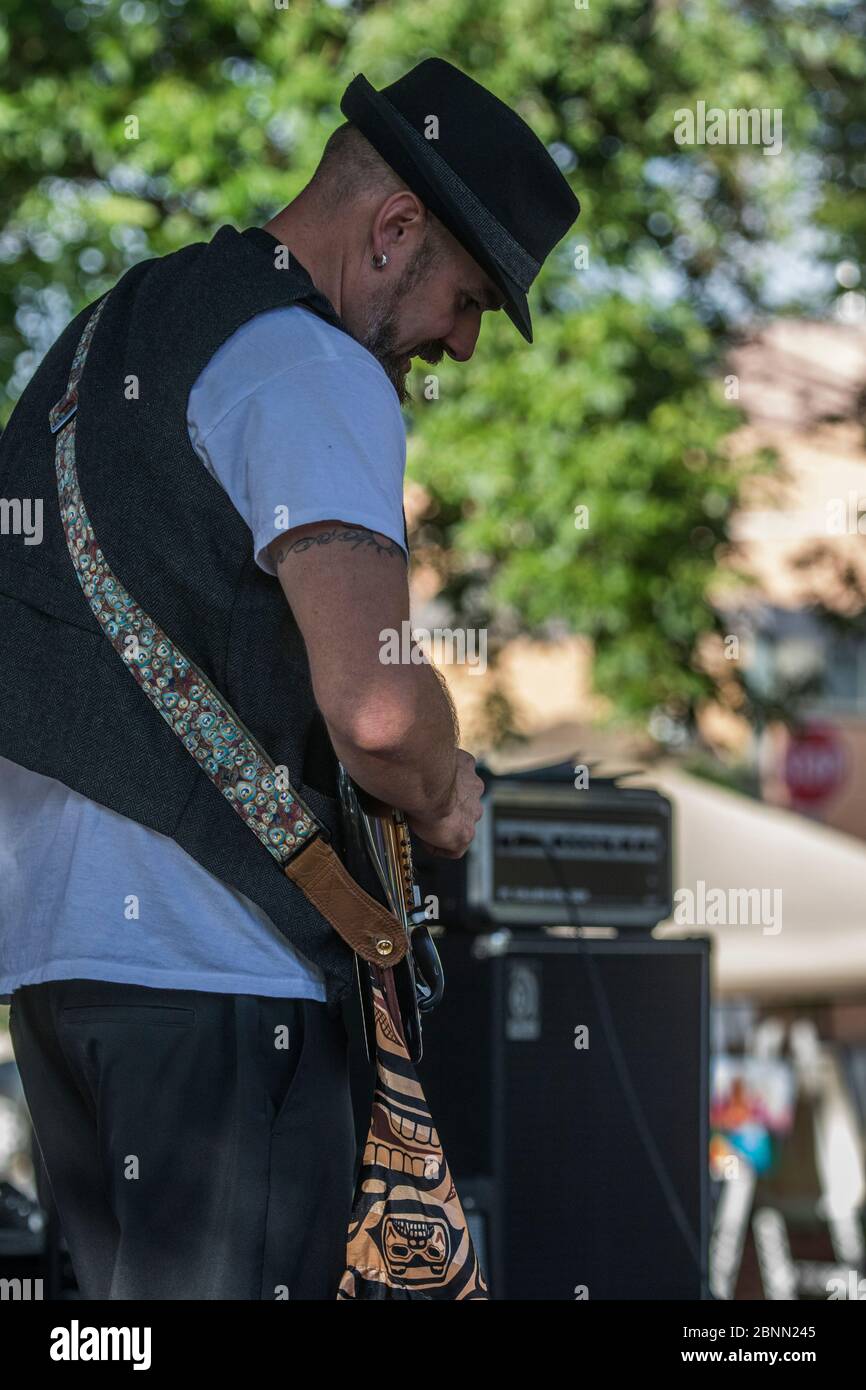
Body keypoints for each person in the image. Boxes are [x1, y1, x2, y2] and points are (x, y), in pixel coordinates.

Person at [0, 57, 580, 1299]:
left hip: (59, 975)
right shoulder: (307, 365)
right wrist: (443, 789)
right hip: (224, 982)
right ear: (393, 230)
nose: (463, 346)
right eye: (469, 298)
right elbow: (375, 710)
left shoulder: (99, 341)